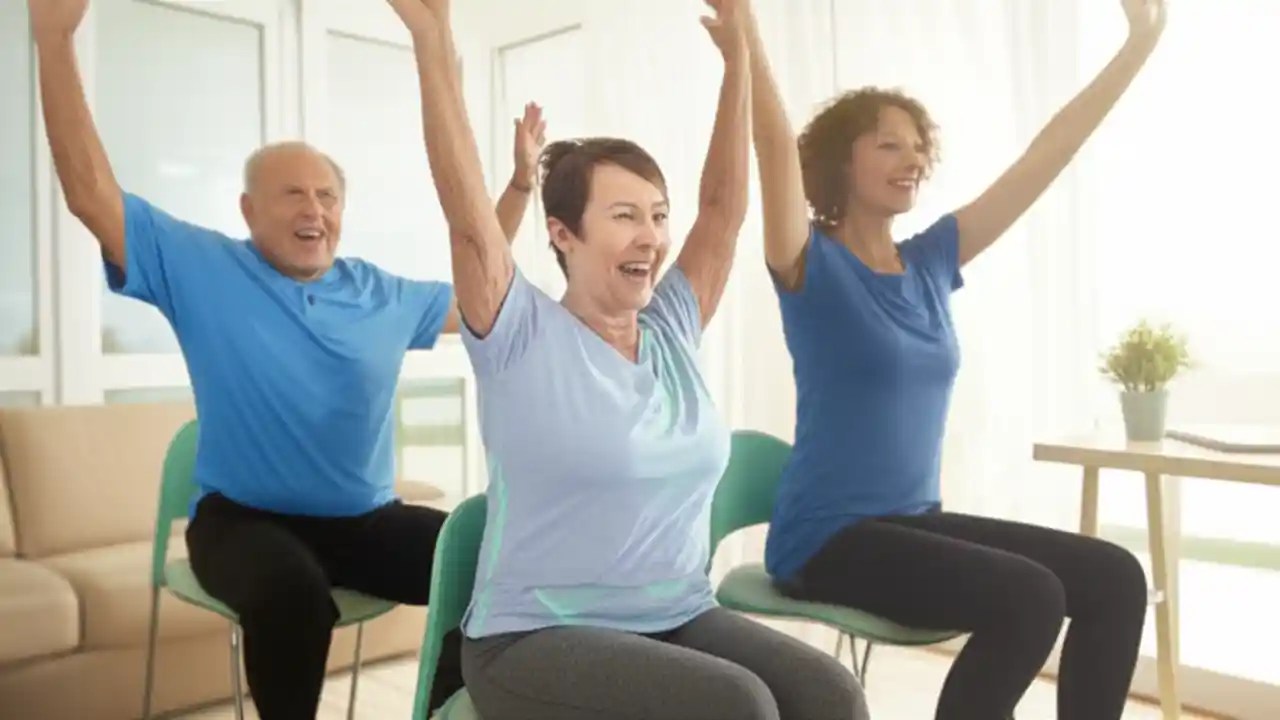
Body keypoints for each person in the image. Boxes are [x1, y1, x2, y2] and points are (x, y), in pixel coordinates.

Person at [27, 1, 547, 717]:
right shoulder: (201, 266)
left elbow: (480, 282)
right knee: (294, 601)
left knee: (490, 559)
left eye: (328, 195)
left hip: (365, 521)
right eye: (293, 193)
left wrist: (520, 186)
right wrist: (53, 40)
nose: (315, 209)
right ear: (248, 210)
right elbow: (90, 194)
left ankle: (444, 711)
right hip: (241, 522)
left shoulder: (380, 292)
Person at [385, 0, 869, 718]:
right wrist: (434, 39)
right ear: (563, 233)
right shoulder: (518, 332)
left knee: (830, 693)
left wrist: (740, 62)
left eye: (656, 214)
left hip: (675, 613)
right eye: (624, 216)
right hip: (531, 638)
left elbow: (722, 210)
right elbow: (468, 221)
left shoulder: (670, 325)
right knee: (737, 704)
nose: (651, 235)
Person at [745, 1, 1165, 719]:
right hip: (827, 540)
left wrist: (1139, 43)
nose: (911, 159)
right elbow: (774, 150)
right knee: (1030, 597)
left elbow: (1045, 156)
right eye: (887, 145)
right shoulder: (808, 265)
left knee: (1115, 578)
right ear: (840, 160)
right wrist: (746, 35)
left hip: (912, 520)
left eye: (916, 147)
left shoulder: (933, 260)